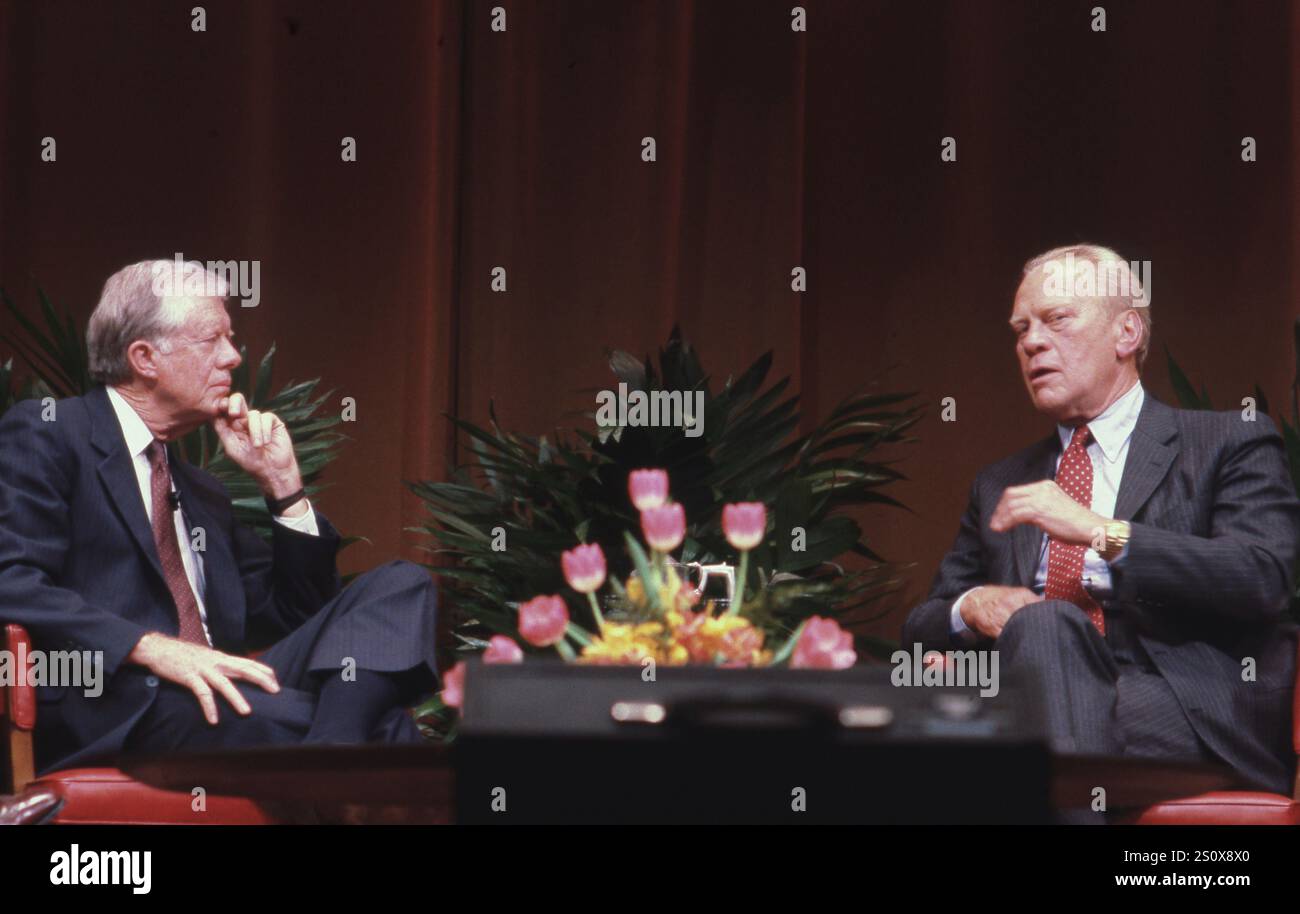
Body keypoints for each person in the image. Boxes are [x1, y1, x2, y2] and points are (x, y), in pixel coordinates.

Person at [0, 259, 439, 775]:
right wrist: (150, 648)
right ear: (144, 357)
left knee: (402, 583)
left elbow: (294, 614)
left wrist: (283, 487)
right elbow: (11, 581)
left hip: (216, 692)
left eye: (230, 339)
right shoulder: (51, 433)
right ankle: (338, 755)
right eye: (213, 340)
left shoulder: (201, 491)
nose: (233, 357)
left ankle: (331, 757)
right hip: (120, 703)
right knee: (391, 733)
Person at [902, 244, 1300, 812]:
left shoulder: (1226, 442)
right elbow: (920, 628)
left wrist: (1100, 532)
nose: (1031, 342)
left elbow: (1261, 578)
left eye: (1056, 319)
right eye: (1021, 330)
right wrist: (969, 608)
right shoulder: (1002, 483)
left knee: (991, 731)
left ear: (1127, 334)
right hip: (1039, 686)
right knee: (1041, 634)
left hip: (1185, 706)